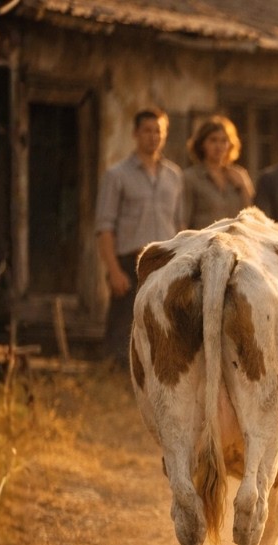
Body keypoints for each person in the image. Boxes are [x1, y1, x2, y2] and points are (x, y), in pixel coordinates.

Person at [94, 106, 182, 367]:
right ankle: (114, 381)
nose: (153, 136)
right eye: (147, 131)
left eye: (158, 131)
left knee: (163, 325)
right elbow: (104, 226)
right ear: (135, 133)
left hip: (166, 263)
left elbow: (179, 225)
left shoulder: (174, 176)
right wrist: (112, 270)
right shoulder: (117, 175)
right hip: (130, 262)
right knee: (123, 328)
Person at [181, 115, 254, 229]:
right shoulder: (190, 177)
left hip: (233, 243)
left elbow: (250, 215)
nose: (219, 146)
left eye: (224, 140)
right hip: (204, 243)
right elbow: (183, 220)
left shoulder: (238, 174)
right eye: (213, 140)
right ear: (202, 144)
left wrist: (243, 186)